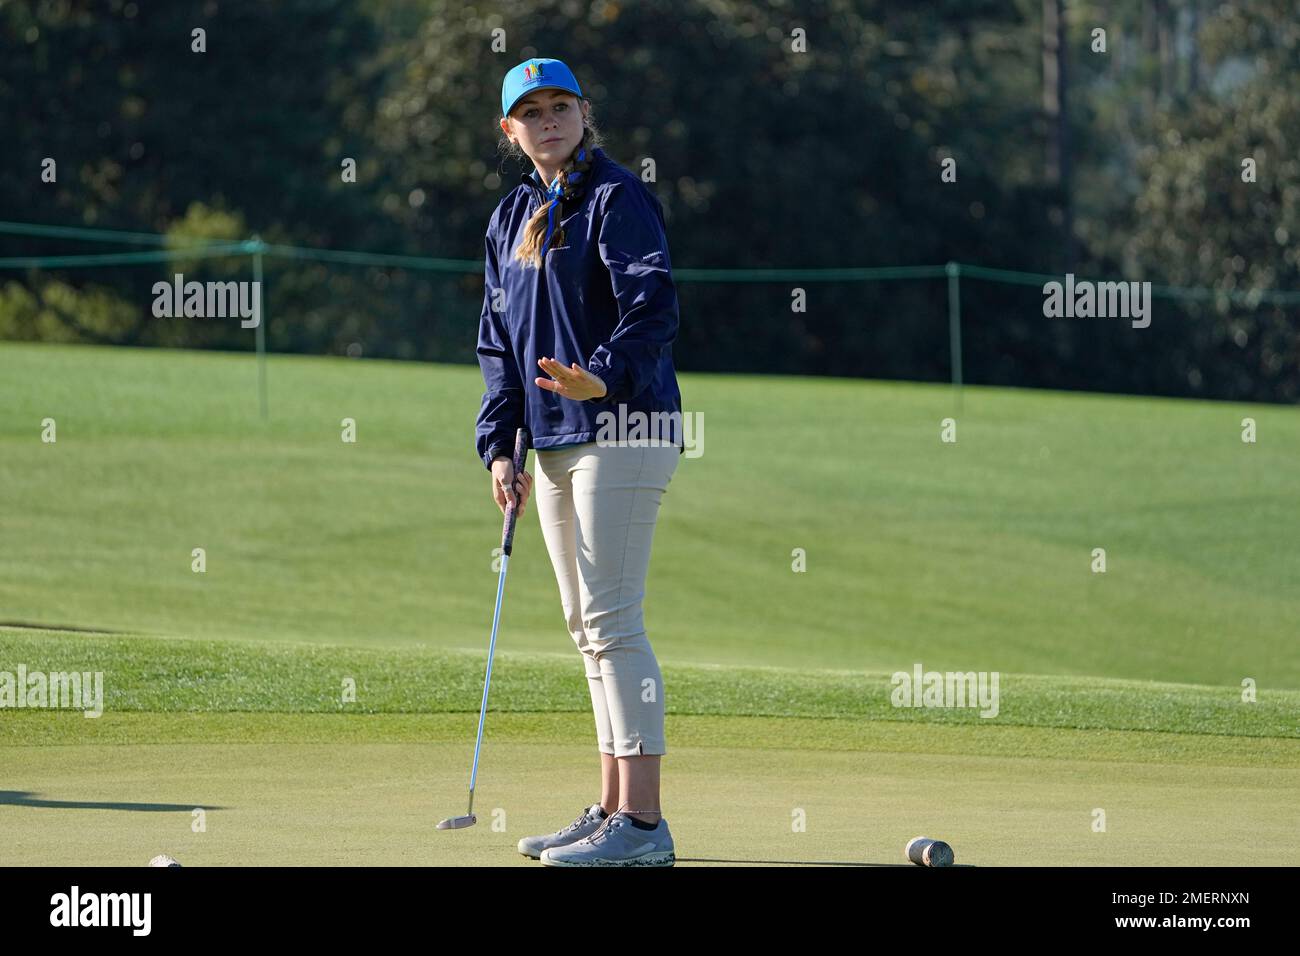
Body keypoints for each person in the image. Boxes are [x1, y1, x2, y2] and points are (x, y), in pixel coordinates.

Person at [474, 57, 685, 867]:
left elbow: (653, 302)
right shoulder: (511, 216)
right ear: (511, 131)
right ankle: (609, 810)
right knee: (586, 629)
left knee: (614, 623)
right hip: (555, 438)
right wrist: (500, 442)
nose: (549, 120)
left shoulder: (616, 197)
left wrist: (604, 371)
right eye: (532, 112)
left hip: (625, 426)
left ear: (584, 113)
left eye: (561, 105)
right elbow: (500, 343)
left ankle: (643, 826)